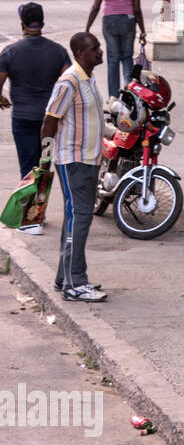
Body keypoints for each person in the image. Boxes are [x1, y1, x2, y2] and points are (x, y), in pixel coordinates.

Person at [41, 32, 113, 301]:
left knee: (77, 219)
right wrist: (45, 161)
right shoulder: (69, 82)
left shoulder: (88, 79)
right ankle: (75, 284)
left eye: (99, 47)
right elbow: (49, 121)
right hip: (73, 161)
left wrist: (113, 133)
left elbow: (93, 119)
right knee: (79, 219)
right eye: (95, 49)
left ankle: (65, 278)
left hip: (89, 161)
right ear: (79, 53)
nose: (100, 52)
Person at [1, 2, 70, 182]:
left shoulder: (10, 53)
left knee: (27, 169)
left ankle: (29, 208)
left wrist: (1, 99)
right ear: (43, 24)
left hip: (22, 121)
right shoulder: (59, 52)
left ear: (22, 24)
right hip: (50, 122)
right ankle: (39, 207)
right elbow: (72, 84)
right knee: (44, 167)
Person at [85, 0, 146, 99]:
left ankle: (113, 98)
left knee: (113, 59)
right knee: (127, 57)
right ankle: (130, 95)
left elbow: (95, 7)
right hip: (128, 22)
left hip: (109, 22)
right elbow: (137, 10)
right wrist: (143, 30)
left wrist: (87, 28)